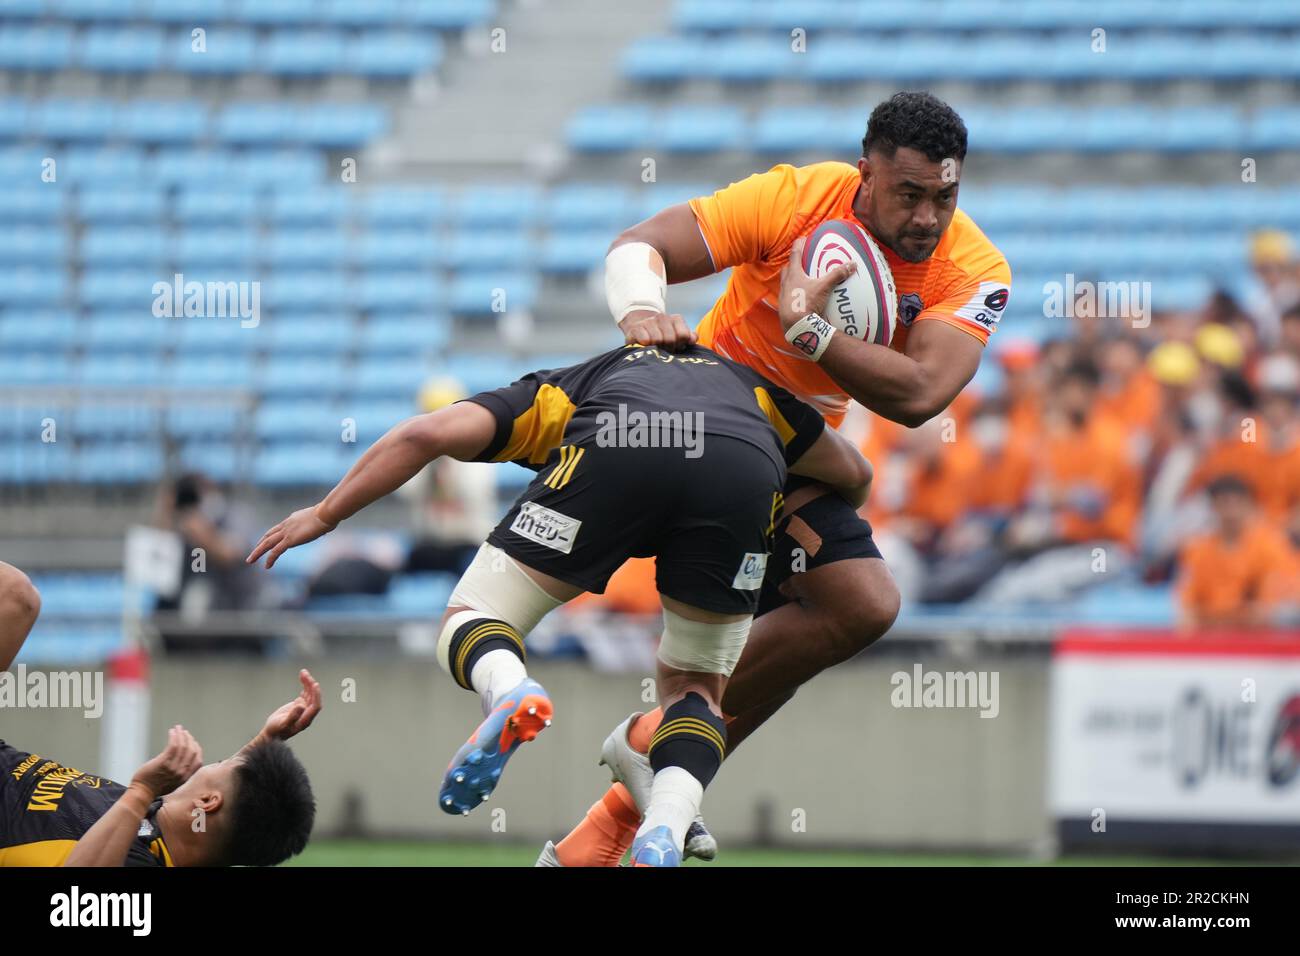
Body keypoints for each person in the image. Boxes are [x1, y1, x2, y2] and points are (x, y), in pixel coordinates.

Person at [553, 89, 1011, 864]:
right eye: (909, 195)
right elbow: (641, 246)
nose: (929, 217)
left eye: (945, 195)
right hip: (702, 419)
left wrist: (812, 330)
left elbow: (921, 395)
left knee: (831, 621)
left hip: (786, 454)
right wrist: (638, 313)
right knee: (853, 600)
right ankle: (618, 742)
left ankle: (616, 805)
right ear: (864, 174)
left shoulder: (973, 266)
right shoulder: (795, 198)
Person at [247, 342, 872, 865]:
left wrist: (326, 514)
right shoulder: (750, 384)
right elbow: (855, 472)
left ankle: (508, 687)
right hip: (742, 464)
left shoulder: (559, 390)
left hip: (613, 448)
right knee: (697, 689)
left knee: (475, 615)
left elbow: (427, 433)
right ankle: (666, 822)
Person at [0, 562, 318, 866]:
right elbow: (232, 793)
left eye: (221, 764)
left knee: (16, 594)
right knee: (17, 598)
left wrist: (140, 791)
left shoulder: (139, 850)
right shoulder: (158, 822)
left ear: (208, 802)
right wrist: (267, 739)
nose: (210, 764)